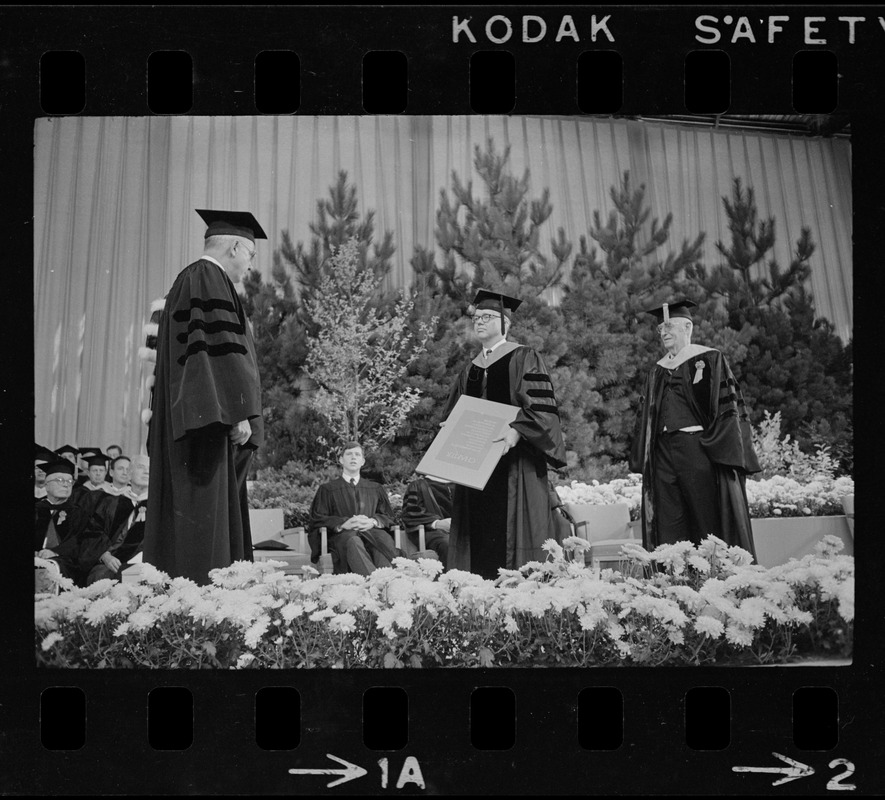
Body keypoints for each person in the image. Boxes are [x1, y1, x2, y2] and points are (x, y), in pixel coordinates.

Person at [142, 209, 265, 585]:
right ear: (234, 247)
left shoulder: (192, 280)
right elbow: (217, 353)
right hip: (206, 427)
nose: (250, 266)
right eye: (251, 255)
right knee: (204, 525)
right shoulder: (206, 278)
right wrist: (236, 412)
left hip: (197, 422)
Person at [442, 289, 567, 579]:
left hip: (514, 464)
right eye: (477, 317)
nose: (480, 322)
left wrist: (517, 431)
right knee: (479, 535)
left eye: (488, 317)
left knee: (513, 535)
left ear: (506, 324)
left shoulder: (524, 357)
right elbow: (455, 414)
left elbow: (542, 408)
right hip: (475, 467)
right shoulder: (470, 369)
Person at [628, 299, 761, 557]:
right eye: (660, 329)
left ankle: (714, 572)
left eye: (669, 326)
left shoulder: (710, 359)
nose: (663, 332)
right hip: (662, 452)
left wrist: (710, 444)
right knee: (668, 517)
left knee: (705, 515)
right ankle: (672, 576)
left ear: (687, 327)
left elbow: (727, 410)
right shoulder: (657, 370)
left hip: (696, 447)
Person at [308, 442, 396, 575]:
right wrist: (343, 523)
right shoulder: (327, 490)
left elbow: (389, 517)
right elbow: (317, 518)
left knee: (380, 545)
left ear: (363, 461)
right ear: (341, 460)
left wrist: (372, 521)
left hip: (373, 533)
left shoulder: (375, 488)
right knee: (353, 541)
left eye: (357, 454)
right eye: (349, 454)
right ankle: (375, 585)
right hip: (343, 537)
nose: (353, 457)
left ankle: (385, 584)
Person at [85, 455, 150, 584]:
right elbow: (93, 532)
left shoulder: (160, 507)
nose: (147, 471)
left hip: (146, 564)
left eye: (149, 468)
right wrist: (104, 555)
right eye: (141, 467)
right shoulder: (110, 503)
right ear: (129, 473)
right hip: (112, 564)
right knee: (100, 576)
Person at [34, 459, 93, 583]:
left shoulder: (79, 513)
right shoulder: (36, 509)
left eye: (69, 481)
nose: (66, 485)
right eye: (60, 480)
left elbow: (79, 541)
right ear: (47, 485)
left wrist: (55, 552)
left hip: (65, 563)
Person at [401, 475, 453, 563]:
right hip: (431, 531)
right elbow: (410, 513)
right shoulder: (418, 485)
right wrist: (436, 523)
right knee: (449, 543)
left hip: (461, 532)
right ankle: (449, 576)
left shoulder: (463, 488)